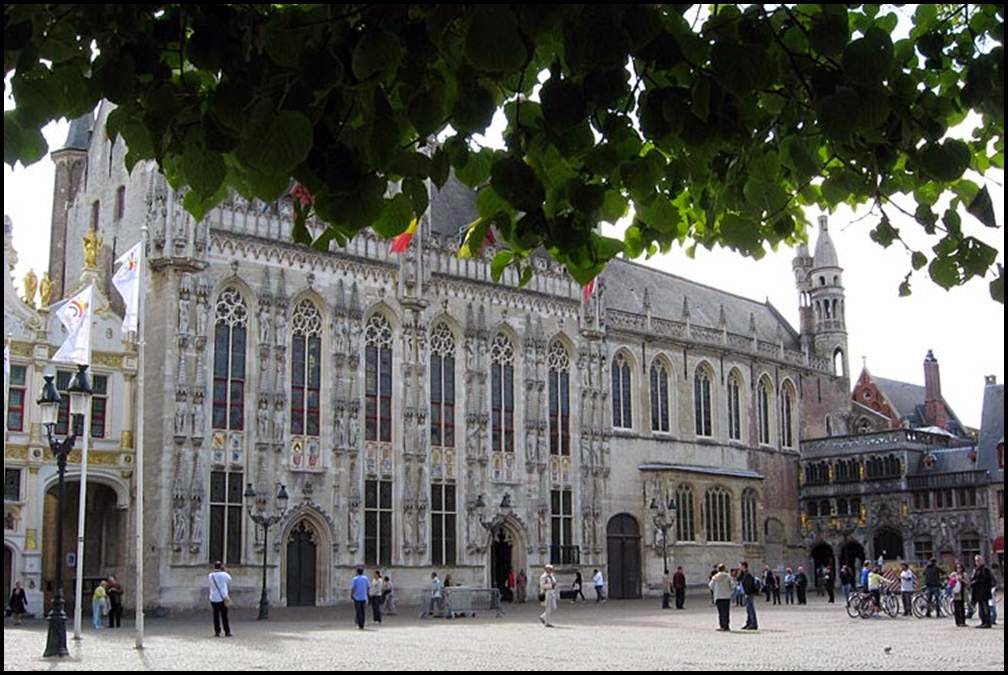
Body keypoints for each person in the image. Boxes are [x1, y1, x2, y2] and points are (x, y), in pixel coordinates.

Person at [208, 561, 232, 637]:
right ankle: (227, 631)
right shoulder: (224, 575)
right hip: (223, 598)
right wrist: (225, 570)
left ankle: (217, 631)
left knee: (215, 615)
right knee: (224, 616)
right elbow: (229, 579)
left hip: (214, 598)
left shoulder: (210, 575)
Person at [970, 555, 993, 629]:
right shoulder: (976, 569)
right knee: (981, 608)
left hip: (984, 592)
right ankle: (983, 622)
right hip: (978, 592)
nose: (977, 562)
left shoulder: (985, 569)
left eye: (978, 560)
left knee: (985, 608)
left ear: (982, 561)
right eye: (976, 560)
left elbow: (986, 580)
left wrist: (976, 582)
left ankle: (987, 622)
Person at [709, 564, 733, 631]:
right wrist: (729, 590)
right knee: (726, 612)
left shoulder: (715, 577)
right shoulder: (728, 576)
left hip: (718, 597)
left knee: (720, 612)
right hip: (726, 596)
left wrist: (716, 590)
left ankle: (722, 625)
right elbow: (732, 585)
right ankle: (727, 626)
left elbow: (710, 586)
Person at [738, 561, 759, 630]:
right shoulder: (743, 574)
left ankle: (753, 624)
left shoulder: (748, 575)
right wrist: (740, 572)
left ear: (744, 566)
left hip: (749, 594)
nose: (739, 567)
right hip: (746, 593)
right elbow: (738, 579)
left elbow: (749, 585)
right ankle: (749, 623)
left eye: (740, 566)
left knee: (751, 609)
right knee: (748, 609)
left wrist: (748, 593)